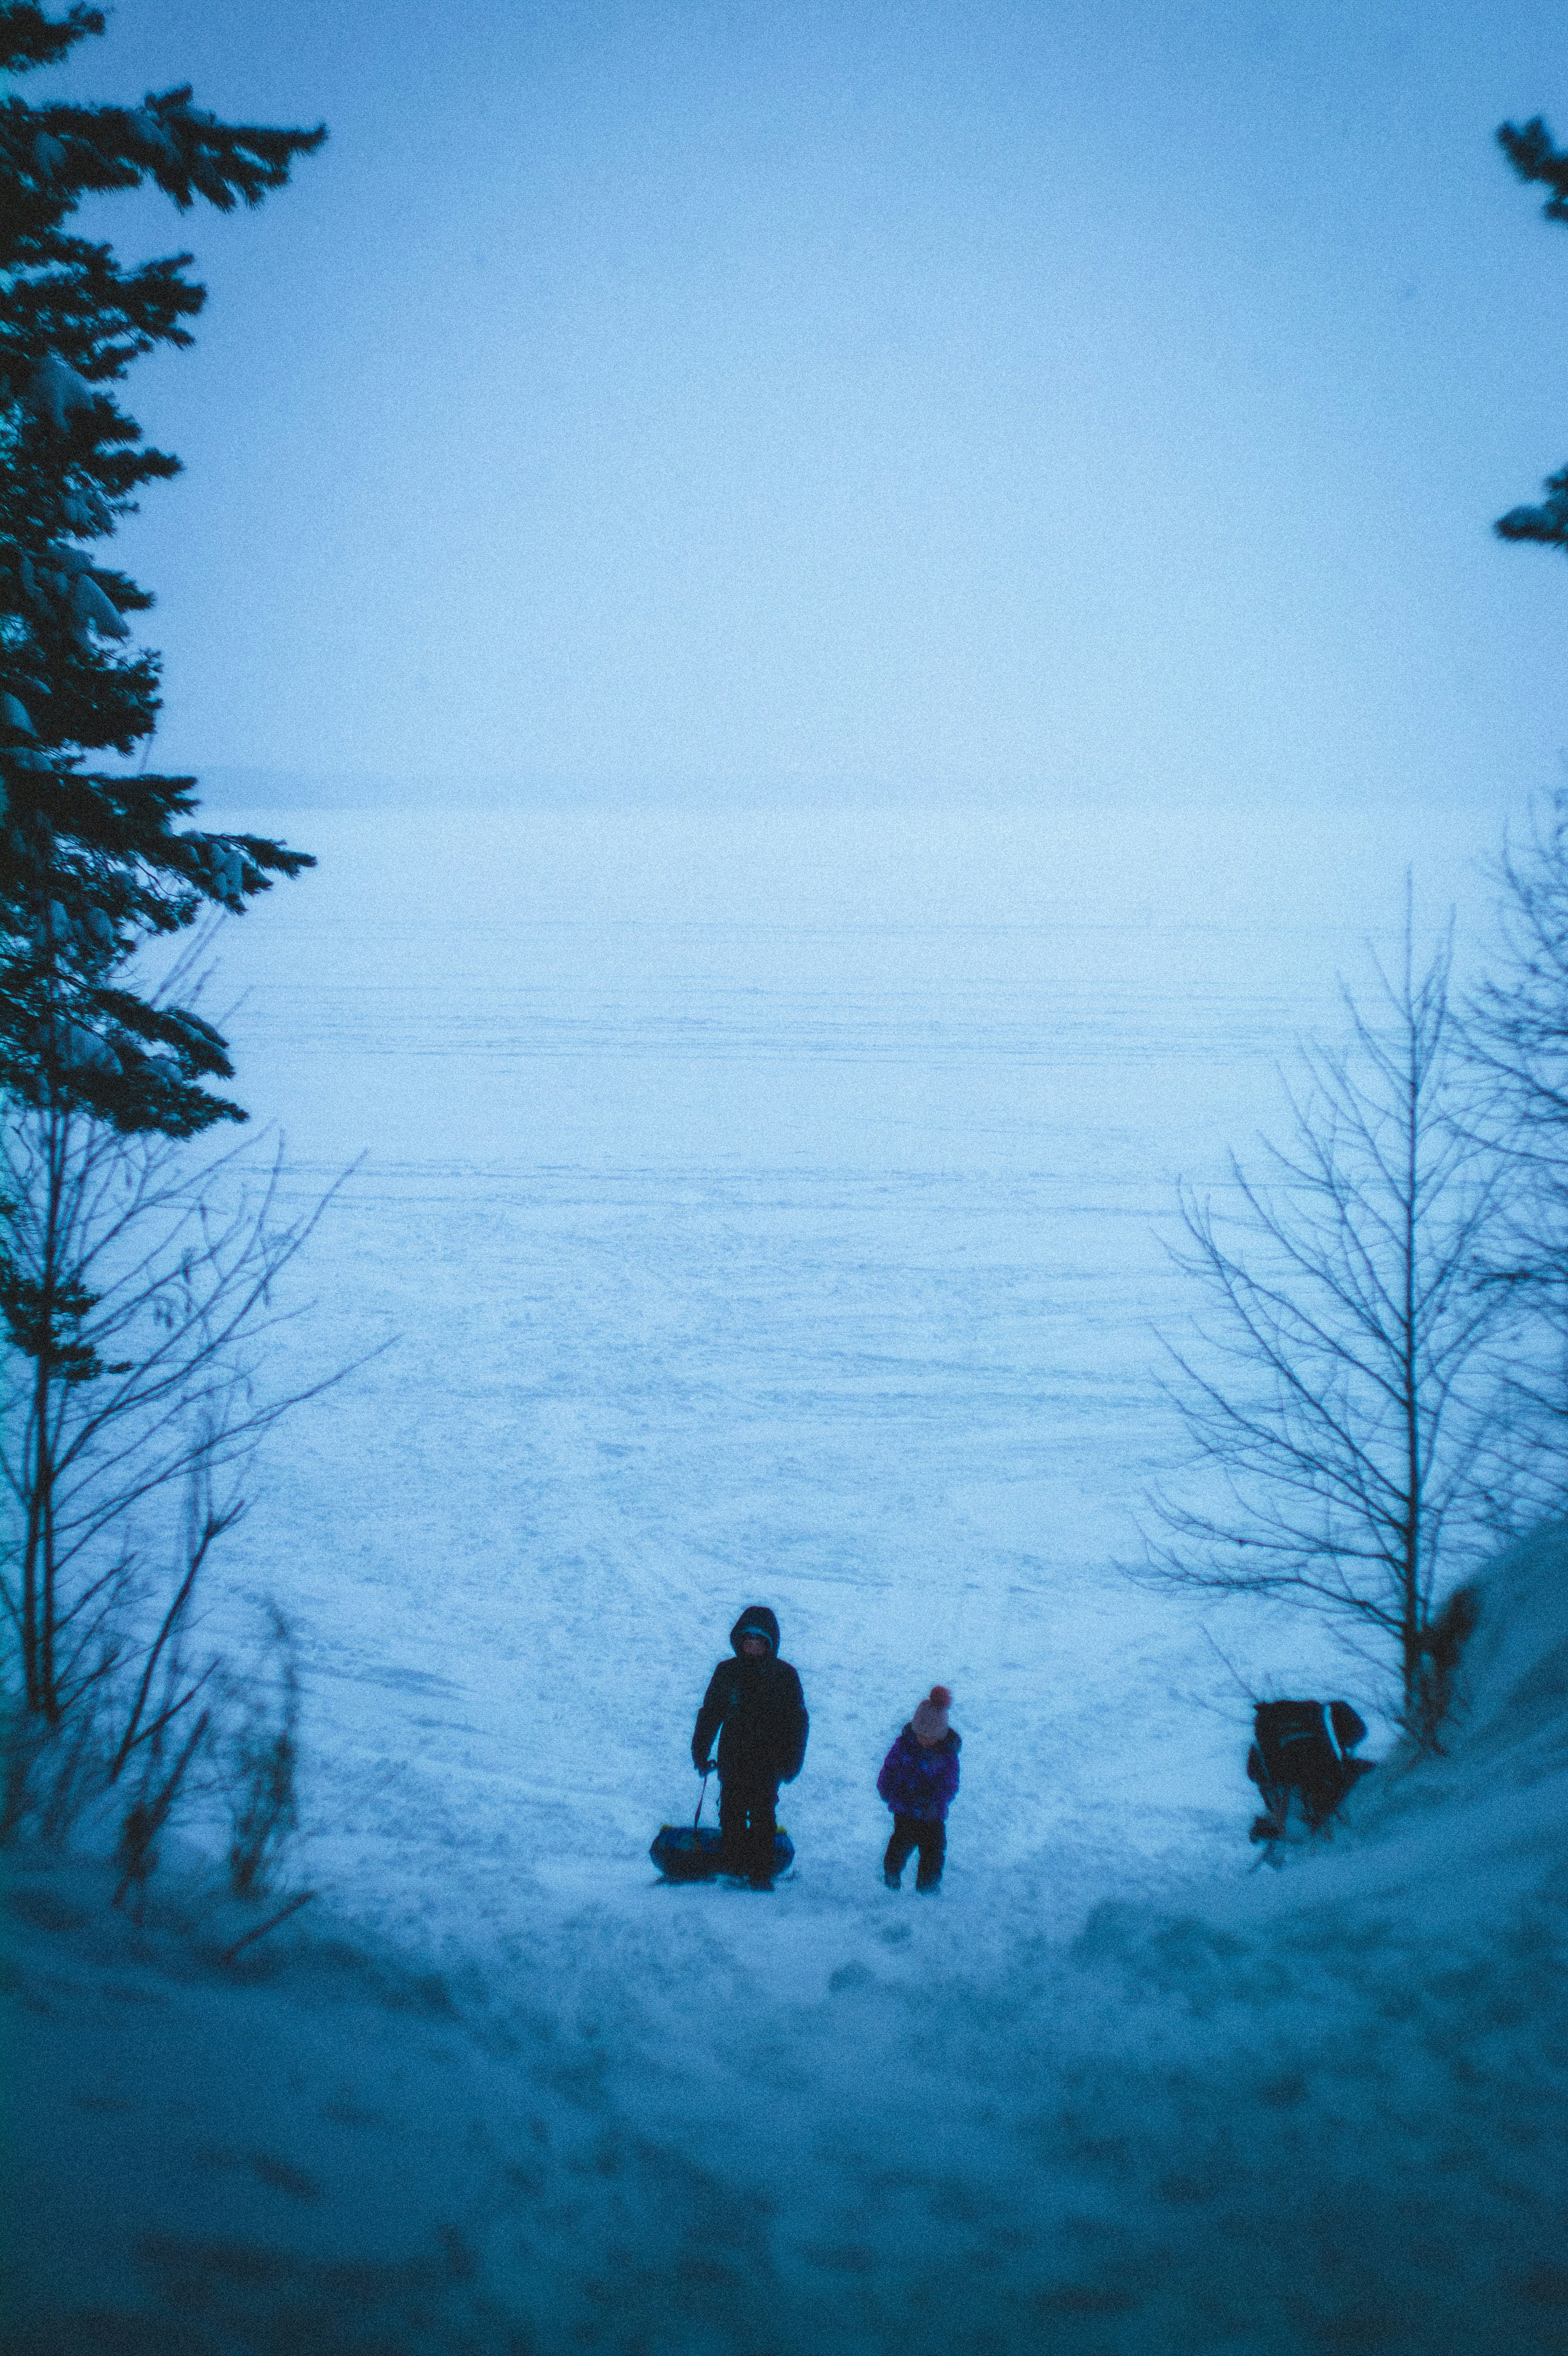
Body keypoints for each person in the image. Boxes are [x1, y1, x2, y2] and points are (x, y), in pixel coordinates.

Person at [692, 1606, 809, 1890]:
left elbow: (797, 1722)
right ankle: (733, 1867)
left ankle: (760, 1872)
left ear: (770, 1643)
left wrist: (792, 1763)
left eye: (760, 1640)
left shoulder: (785, 1676)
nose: (753, 1645)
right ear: (739, 1641)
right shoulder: (727, 1672)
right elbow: (710, 1714)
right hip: (733, 1758)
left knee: (762, 1813)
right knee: (731, 1811)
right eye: (749, 1639)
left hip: (769, 1762)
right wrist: (701, 1752)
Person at [877, 1686, 960, 1892]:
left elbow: (950, 1784)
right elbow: (890, 1766)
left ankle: (928, 1886)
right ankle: (891, 1873)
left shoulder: (947, 1756)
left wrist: (936, 1801)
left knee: (933, 1851)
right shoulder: (904, 1745)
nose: (924, 1740)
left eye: (930, 1736)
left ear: (940, 1735)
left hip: (932, 1814)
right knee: (899, 1843)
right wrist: (885, 1786)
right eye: (920, 1733)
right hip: (905, 1808)